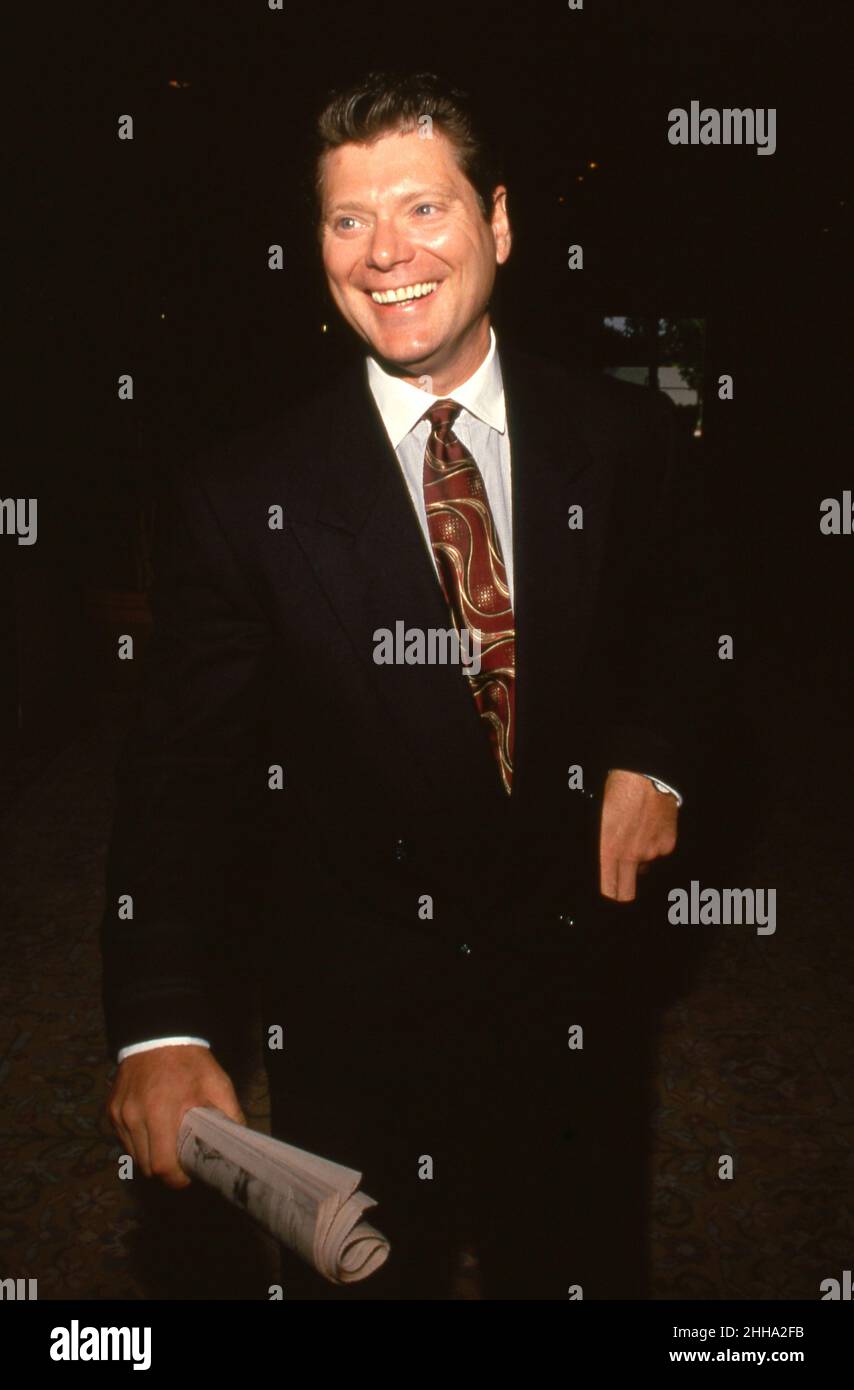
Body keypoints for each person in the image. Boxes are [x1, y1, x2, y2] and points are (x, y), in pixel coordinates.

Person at [102, 70, 722, 1299]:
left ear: (496, 223)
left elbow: (687, 625)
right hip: (353, 1019)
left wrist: (657, 754)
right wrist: (162, 1025)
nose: (385, 253)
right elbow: (182, 776)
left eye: (422, 210)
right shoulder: (241, 496)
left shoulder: (625, 438)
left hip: (578, 994)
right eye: (347, 220)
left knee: (581, 1257)